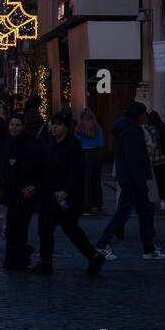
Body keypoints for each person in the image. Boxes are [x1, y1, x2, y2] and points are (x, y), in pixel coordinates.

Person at [31, 112, 106, 276]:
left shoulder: (72, 146)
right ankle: (46, 263)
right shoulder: (50, 143)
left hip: (67, 197)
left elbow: (76, 172)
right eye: (52, 123)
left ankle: (94, 256)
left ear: (66, 127)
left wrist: (66, 190)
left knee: (71, 229)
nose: (54, 127)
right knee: (45, 228)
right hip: (50, 194)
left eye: (58, 124)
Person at [94, 102, 162, 261]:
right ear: (138, 115)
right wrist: (139, 178)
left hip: (132, 178)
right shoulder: (131, 131)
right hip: (134, 180)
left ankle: (148, 248)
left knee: (142, 213)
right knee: (125, 213)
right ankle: (103, 244)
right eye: (144, 114)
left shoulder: (126, 129)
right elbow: (134, 158)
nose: (145, 118)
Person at [1, 112, 42, 271]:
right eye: (12, 125)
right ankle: (15, 259)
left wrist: (32, 185)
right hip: (11, 191)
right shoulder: (7, 142)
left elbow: (35, 167)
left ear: (23, 126)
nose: (14, 128)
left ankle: (18, 260)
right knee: (12, 227)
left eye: (17, 125)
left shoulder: (30, 144)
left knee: (19, 227)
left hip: (25, 191)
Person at [74, 108, 104, 215]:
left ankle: (87, 206)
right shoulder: (97, 128)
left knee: (85, 181)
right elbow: (100, 143)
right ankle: (97, 204)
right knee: (96, 180)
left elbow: (76, 144)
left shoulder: (79, 128)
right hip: (95, 153)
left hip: (84, 153)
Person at [147, 111, 165, 210]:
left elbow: (151, 144)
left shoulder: (150, 129)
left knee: (155, 181)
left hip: (154, 158)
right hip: (164, 158)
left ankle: (157, 199)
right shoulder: (163, 128)